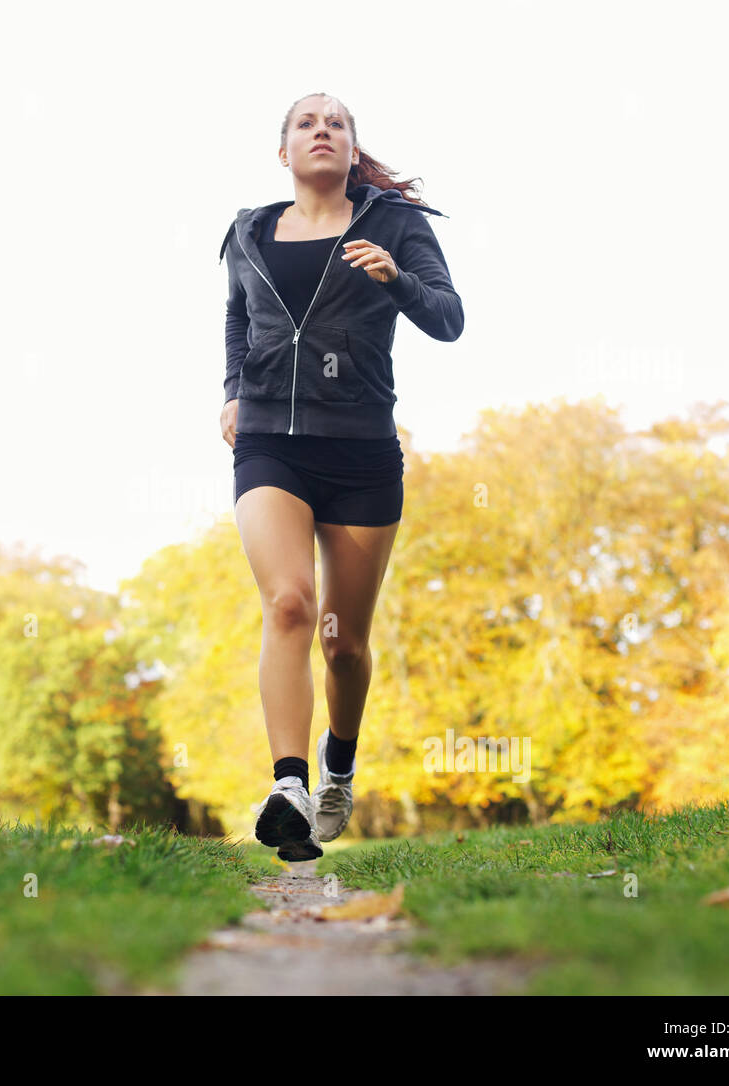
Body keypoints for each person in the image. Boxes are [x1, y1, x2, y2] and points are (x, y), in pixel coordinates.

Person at [219, 92, 464, 861]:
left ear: (353, 151)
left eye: (337, 124)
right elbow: (237, 314)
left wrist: (396, 278)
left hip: (360, 450)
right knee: (289, 603)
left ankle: (337, 766)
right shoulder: (249, 231)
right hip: (269, 443)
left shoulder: (394, 225)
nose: (321, 131)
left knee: (344, 645)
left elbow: (449, 318)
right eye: (306, 123)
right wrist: (232, 389)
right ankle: (288, 782)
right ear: (283, 151)